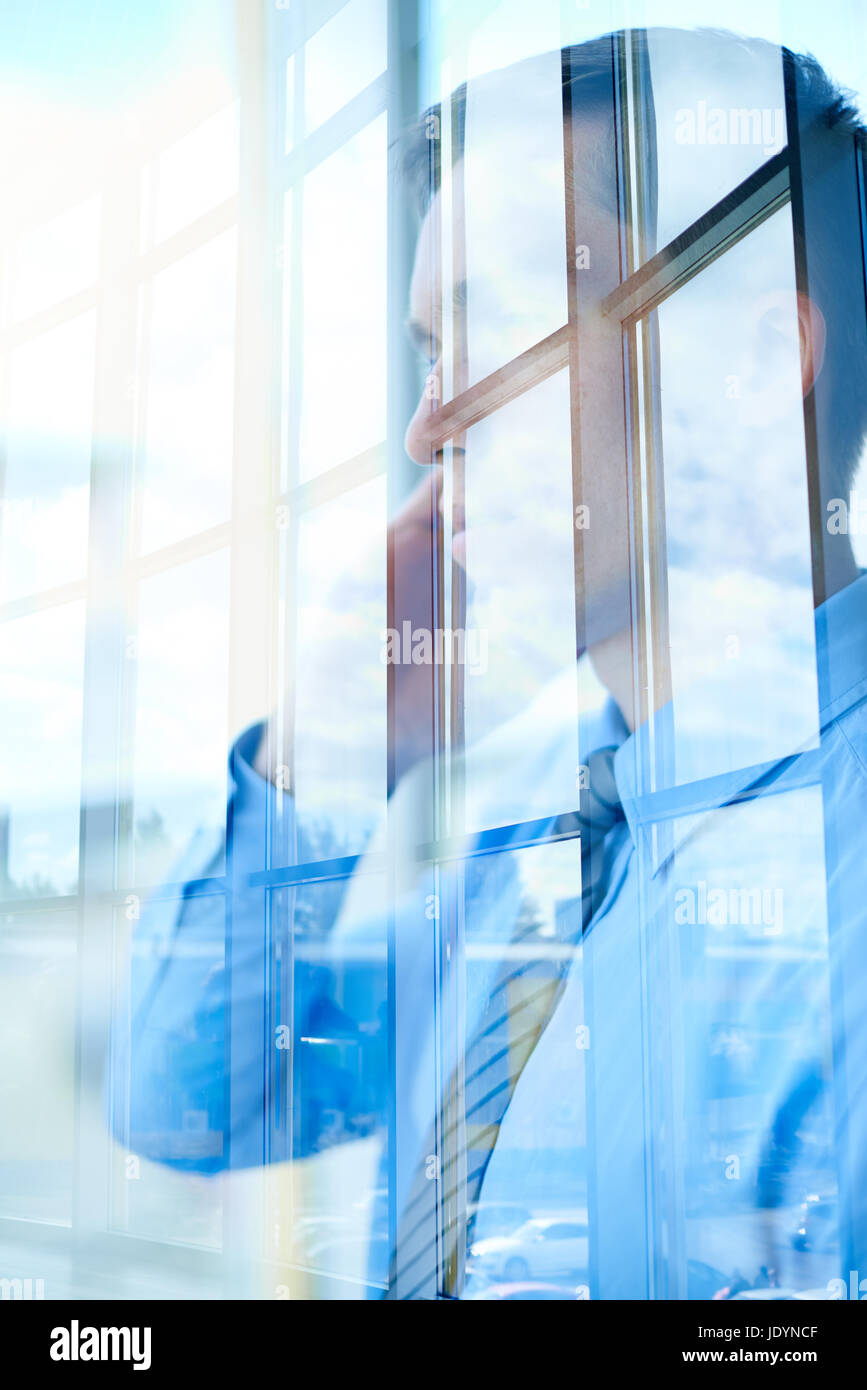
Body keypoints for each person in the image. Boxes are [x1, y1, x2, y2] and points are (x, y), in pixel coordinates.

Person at [111, 27, 867, 1298]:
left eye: (500, 322)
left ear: (745, 360)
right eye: (427, 351)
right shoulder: (525, 835)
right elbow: (184, 1095)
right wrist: (330, 743)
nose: (427, 426)